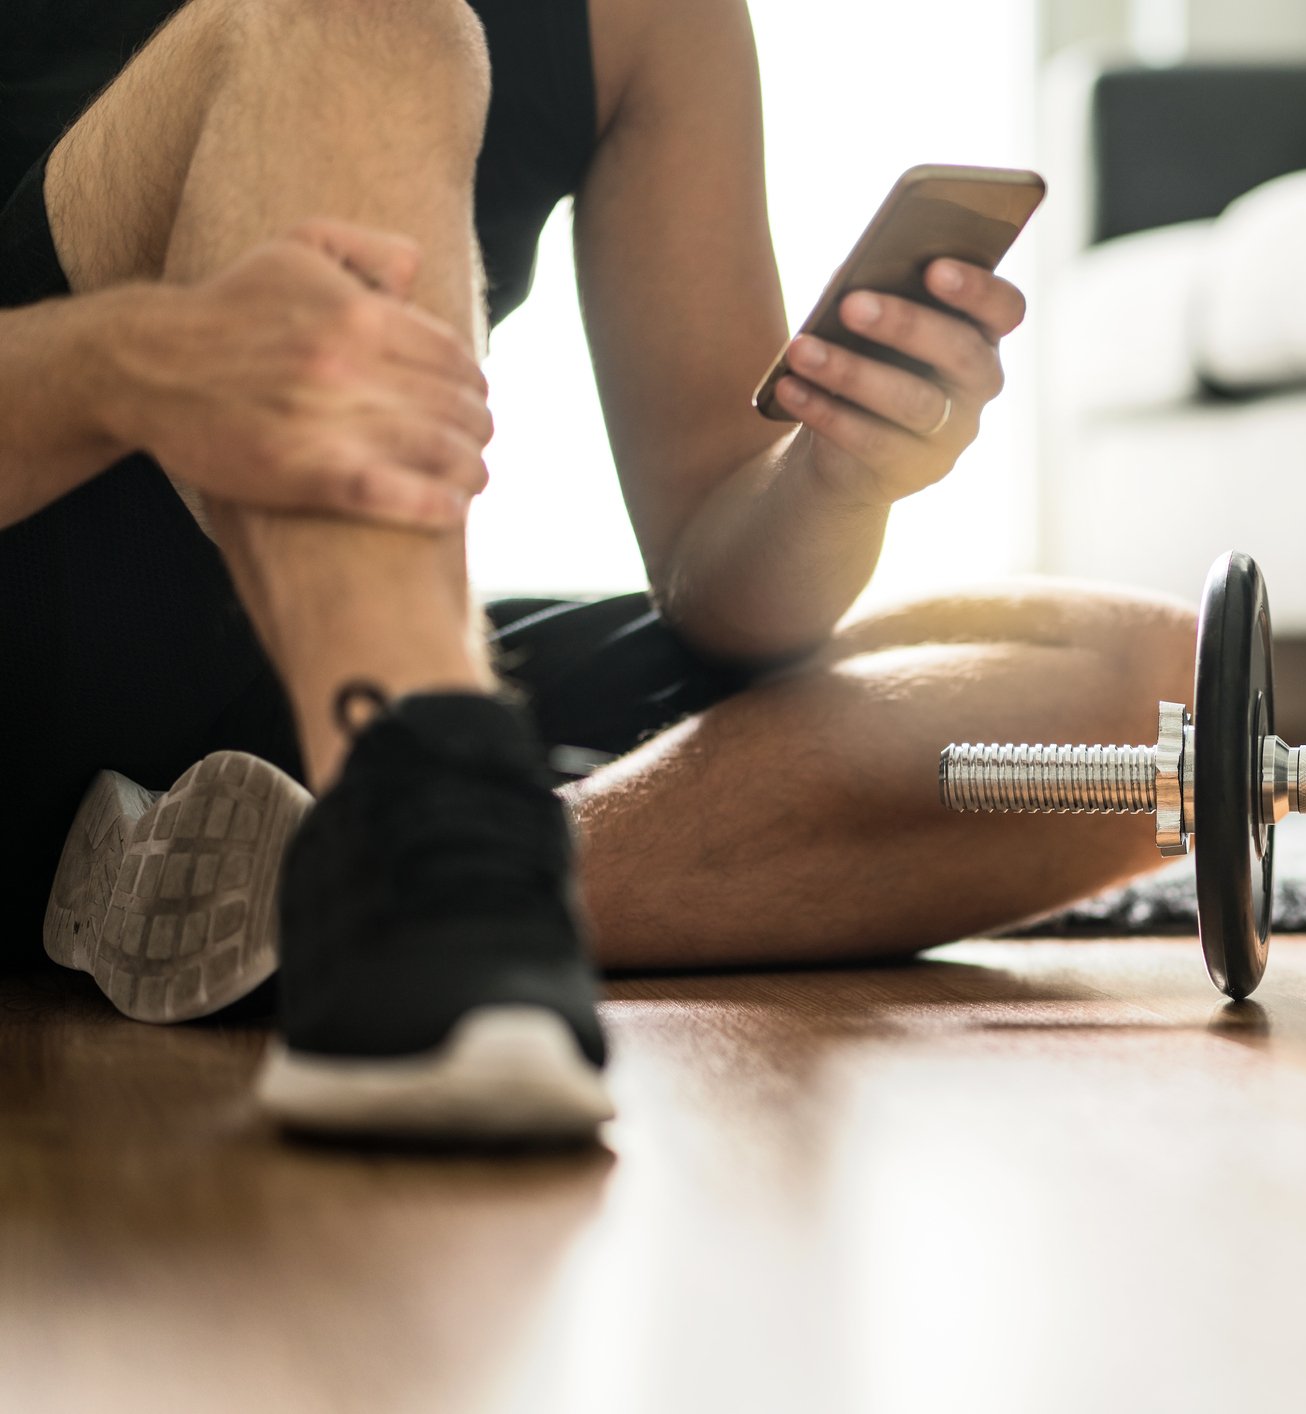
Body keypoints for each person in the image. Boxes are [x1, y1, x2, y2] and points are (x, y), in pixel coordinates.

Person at [0, 0, 1194, 1141]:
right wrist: (129, 362)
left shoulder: (652, 20)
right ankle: (422, 859)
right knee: (357, 22)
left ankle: (368, 881)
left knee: (1160, 701)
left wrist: (835, 476)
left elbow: (721, 590)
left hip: (279, 709)